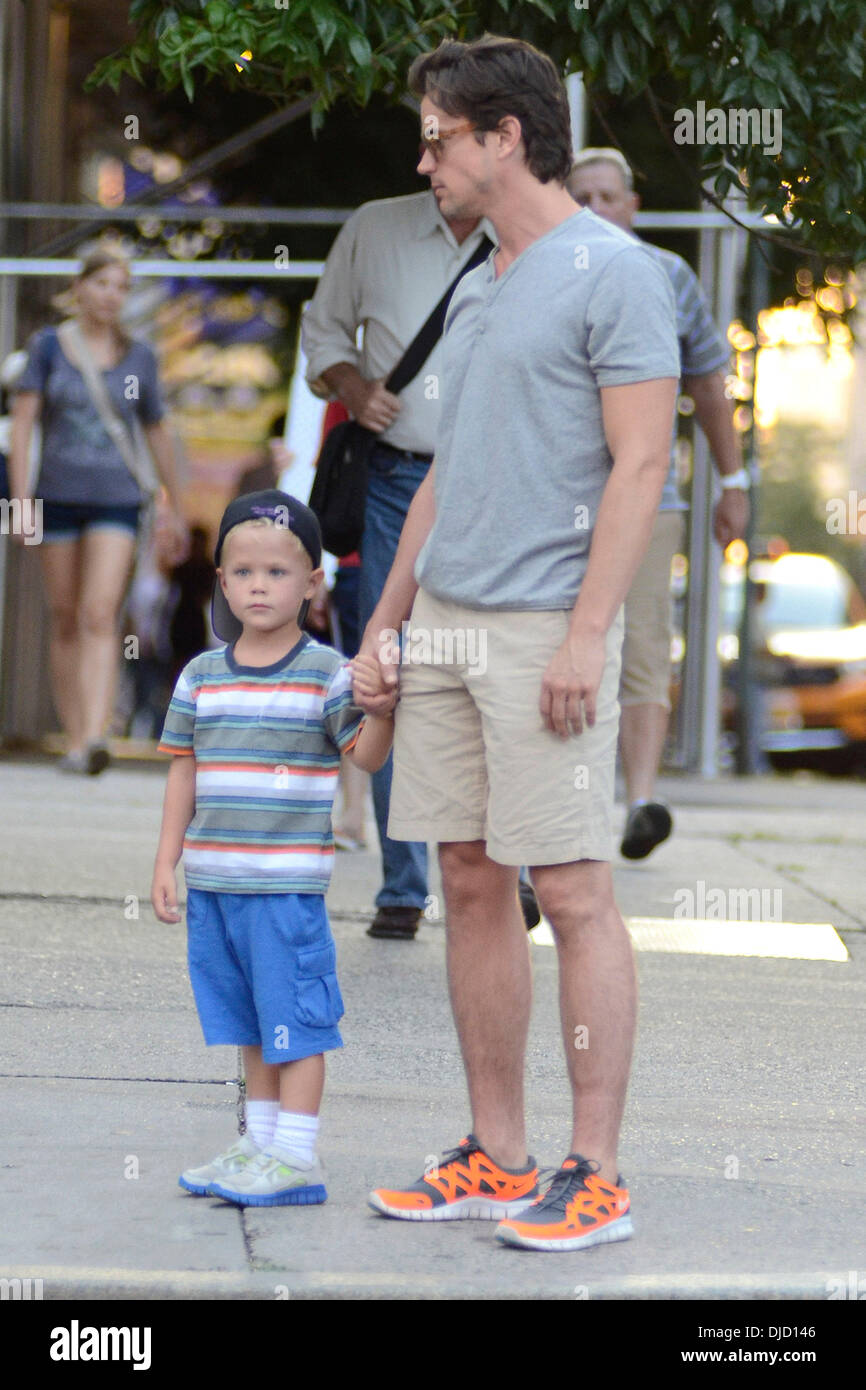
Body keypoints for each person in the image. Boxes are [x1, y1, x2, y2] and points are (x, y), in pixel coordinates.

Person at [354, 35, 680, 1251]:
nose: (422, 156)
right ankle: (496, 1153)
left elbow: (642, 461)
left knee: (574, 889)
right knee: (466, 879)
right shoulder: (481, 275)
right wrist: (385, 626)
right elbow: (446, 471)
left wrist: (588, 636)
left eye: (438, 136)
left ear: (503, 136)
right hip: (444, 624)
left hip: (548, 622)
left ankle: (596, 1172)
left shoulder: (617, 274)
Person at [151, 490, 394, 1207]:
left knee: (298, 1025)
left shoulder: (328, 673)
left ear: (313, 583)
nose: (260, 585)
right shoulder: (200, 676)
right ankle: (257, 1145)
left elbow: (366, 758)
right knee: (250, 1023)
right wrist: (166, 860)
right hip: (216, 887)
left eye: (279, 573)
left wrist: (383, 713)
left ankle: (295, 1156)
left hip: (284, 891)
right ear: (222, 581)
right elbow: (183, 770)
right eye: (245, 572)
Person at [302, 183, 495, 940]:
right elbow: (323, 335)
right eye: (427, 140)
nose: (429, 158)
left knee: (492, 666)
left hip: (498, 480)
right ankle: (403, 886)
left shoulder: (531, 227)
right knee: (388, 669)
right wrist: (356, 388)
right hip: (392, 477)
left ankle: (502, 866)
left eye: (442, 139)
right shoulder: (374, 226)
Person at [567, 149, 750, 859]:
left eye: (608, 195)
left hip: (648, 494)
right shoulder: (548, 270)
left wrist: (734, 485)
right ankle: (576, 795)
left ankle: (640, 801)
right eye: (580, 195)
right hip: (561, 498)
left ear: (632, 205)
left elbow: (708, 388)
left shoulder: (670, 276)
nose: (594, 208)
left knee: (642, 641)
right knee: (564, 640)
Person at [8, 248, 187, 775]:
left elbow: (157, 431)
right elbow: (22, 426)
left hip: (117, 497)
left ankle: (95, 737)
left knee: (98, 612)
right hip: (57, 496)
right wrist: (20, 503)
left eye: (122, 286)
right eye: (104, 283)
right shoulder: (47, 348)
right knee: (65, 616)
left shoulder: (140, 358)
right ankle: (75, 735)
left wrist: (173, 506)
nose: (112, 295)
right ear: (80, 286)